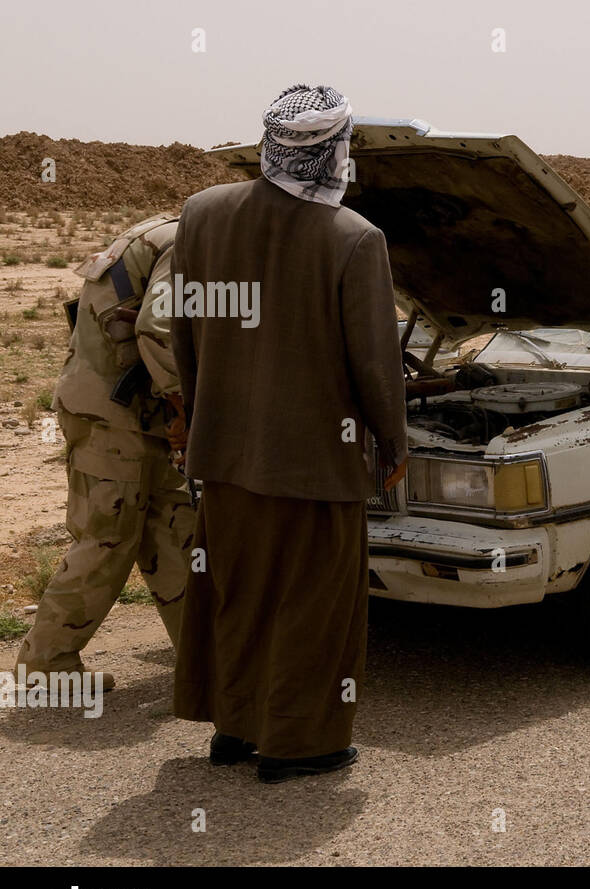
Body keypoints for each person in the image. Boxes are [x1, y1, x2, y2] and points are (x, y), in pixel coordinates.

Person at [170, 84, 408, 783]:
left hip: (225, 454)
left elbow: (185, 333)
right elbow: (374, 362)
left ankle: (236, 729)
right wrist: (392, 443)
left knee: (239, 595)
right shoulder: (354, 238)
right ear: (335, 150)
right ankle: (300, 744)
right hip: (313, 462)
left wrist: (196, 419)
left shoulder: (202, 213)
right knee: (312, 606)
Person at [12, 215, 194, 691]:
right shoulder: (190, 239)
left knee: (175, 527)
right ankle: (46, 667)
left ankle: (203, 658)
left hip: (128, 410)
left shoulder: (166, 229)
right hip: (113, 416)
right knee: (108, 537)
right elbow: (158, 332)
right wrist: (186, 408)